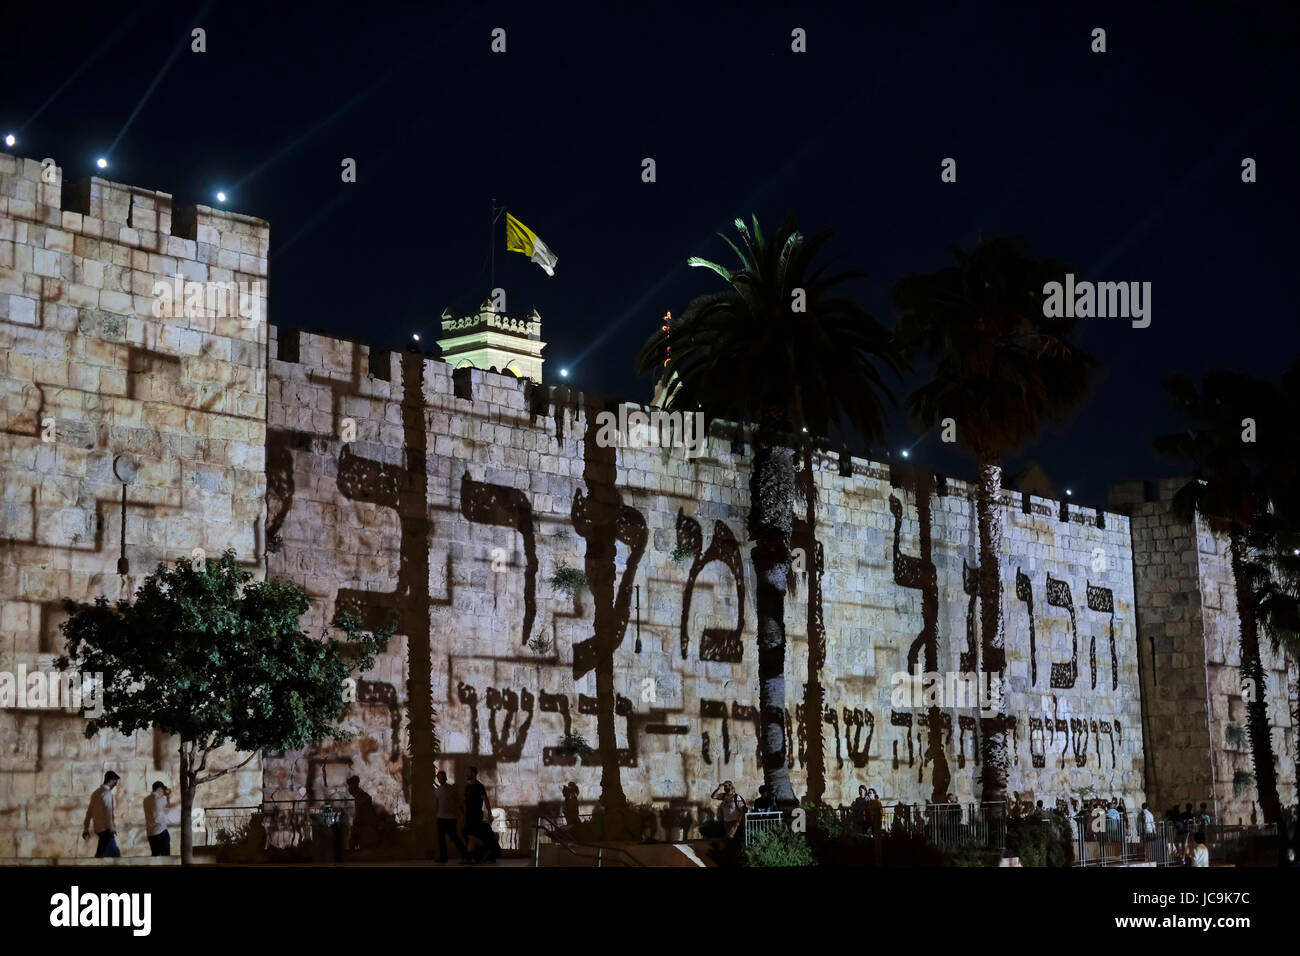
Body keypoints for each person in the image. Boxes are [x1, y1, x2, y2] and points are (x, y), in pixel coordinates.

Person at [463, 767, 501, 862]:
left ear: (473, 774)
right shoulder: (468, 786)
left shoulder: (478, 786)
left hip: (476, 815)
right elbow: (466, 801)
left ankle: (470, 857)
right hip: (468, 815)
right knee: (468, 834)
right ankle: (481, 851)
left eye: (468, 772)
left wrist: (489, 813)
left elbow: (485, 800)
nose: (466, 774)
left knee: (472, 835)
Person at [433, 771, 470, 863]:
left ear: (446, 778)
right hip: (440, 818)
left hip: (451, 818)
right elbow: (437, 804)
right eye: (438, 778)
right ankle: (443, 857)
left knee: (454, 837)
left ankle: (465, 853)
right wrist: (435, 816)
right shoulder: (436, 791)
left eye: (442, 777)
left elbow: (459, 802)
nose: (440, 779)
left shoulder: (452, 789)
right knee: (441, 838)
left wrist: (463, 814)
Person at [82, 771, 120, 858]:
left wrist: (86, 828)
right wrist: (112, 828)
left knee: (102, 855)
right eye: (115, 782)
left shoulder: (95, 794)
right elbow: (108, 813)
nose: (115, 785)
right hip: (106, 830)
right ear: (110, 781)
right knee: (114, 855)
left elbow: (89, 813)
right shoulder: (107, 794)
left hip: (98, 829)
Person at [143, 781, 172, 857]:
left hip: (151, 833)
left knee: (155, 857)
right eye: (162, 789)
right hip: (161, 831)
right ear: (159, 789)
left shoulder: (145, 800)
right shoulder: (161, 799)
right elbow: (167, 811)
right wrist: (168, 797)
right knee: (166, 858)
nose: (163, 792)